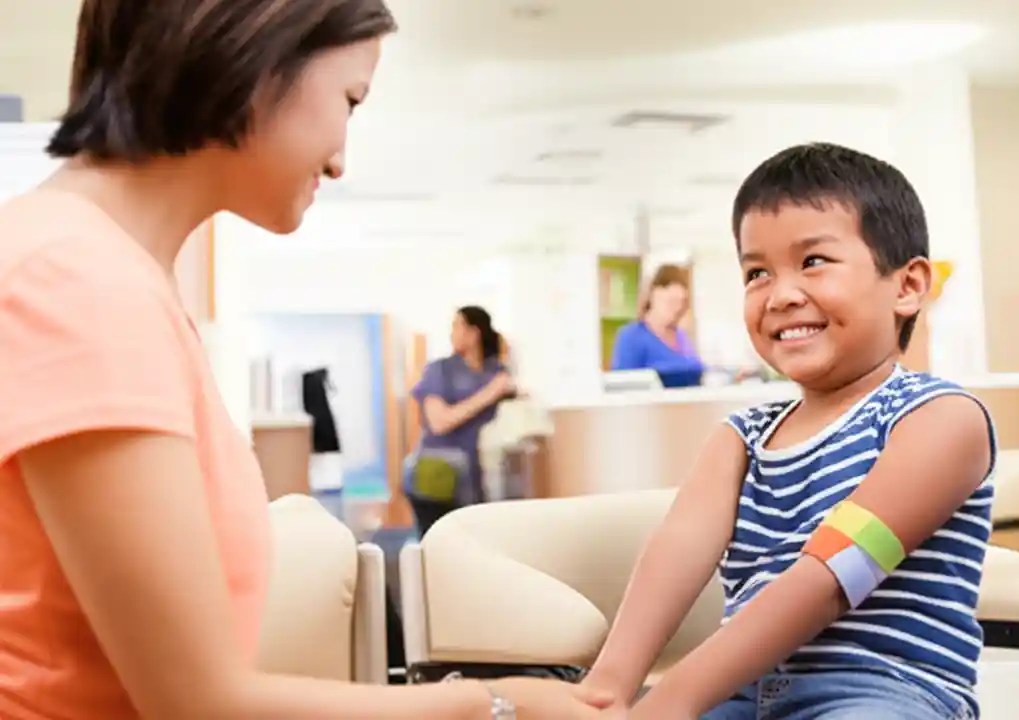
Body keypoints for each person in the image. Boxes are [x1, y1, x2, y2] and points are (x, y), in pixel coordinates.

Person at [0, 2, 610, 718]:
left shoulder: (92, 266)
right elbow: (200, 703)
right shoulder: (79, 282)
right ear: (260, 55)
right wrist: (500, 704)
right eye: (350, 99)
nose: (341, 159)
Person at [582, 143, 997, 720]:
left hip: (883, 692)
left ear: (907, 286)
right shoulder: (740, 439)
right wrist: (605, 693)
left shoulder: (940, 419)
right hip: (743, 698)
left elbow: (830, 577)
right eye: (757, 273)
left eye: (814, 261)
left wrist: (671, 702)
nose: (780, 295)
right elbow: (676, 553)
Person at [407, 306, 515, 535]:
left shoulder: (497, 371)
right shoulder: (440, 370)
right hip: (439, 472)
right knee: (437, 541)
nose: (452, 333)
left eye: (457, 326)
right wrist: (490, 393)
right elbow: (439, 422)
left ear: (474, 333)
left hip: (479, 477)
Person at [610, 264, 706, 387]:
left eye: (681, 302)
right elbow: (622, 387)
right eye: (671, 301)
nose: (677, 309)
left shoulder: (682, 337)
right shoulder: (632, 337)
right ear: (653, 295)